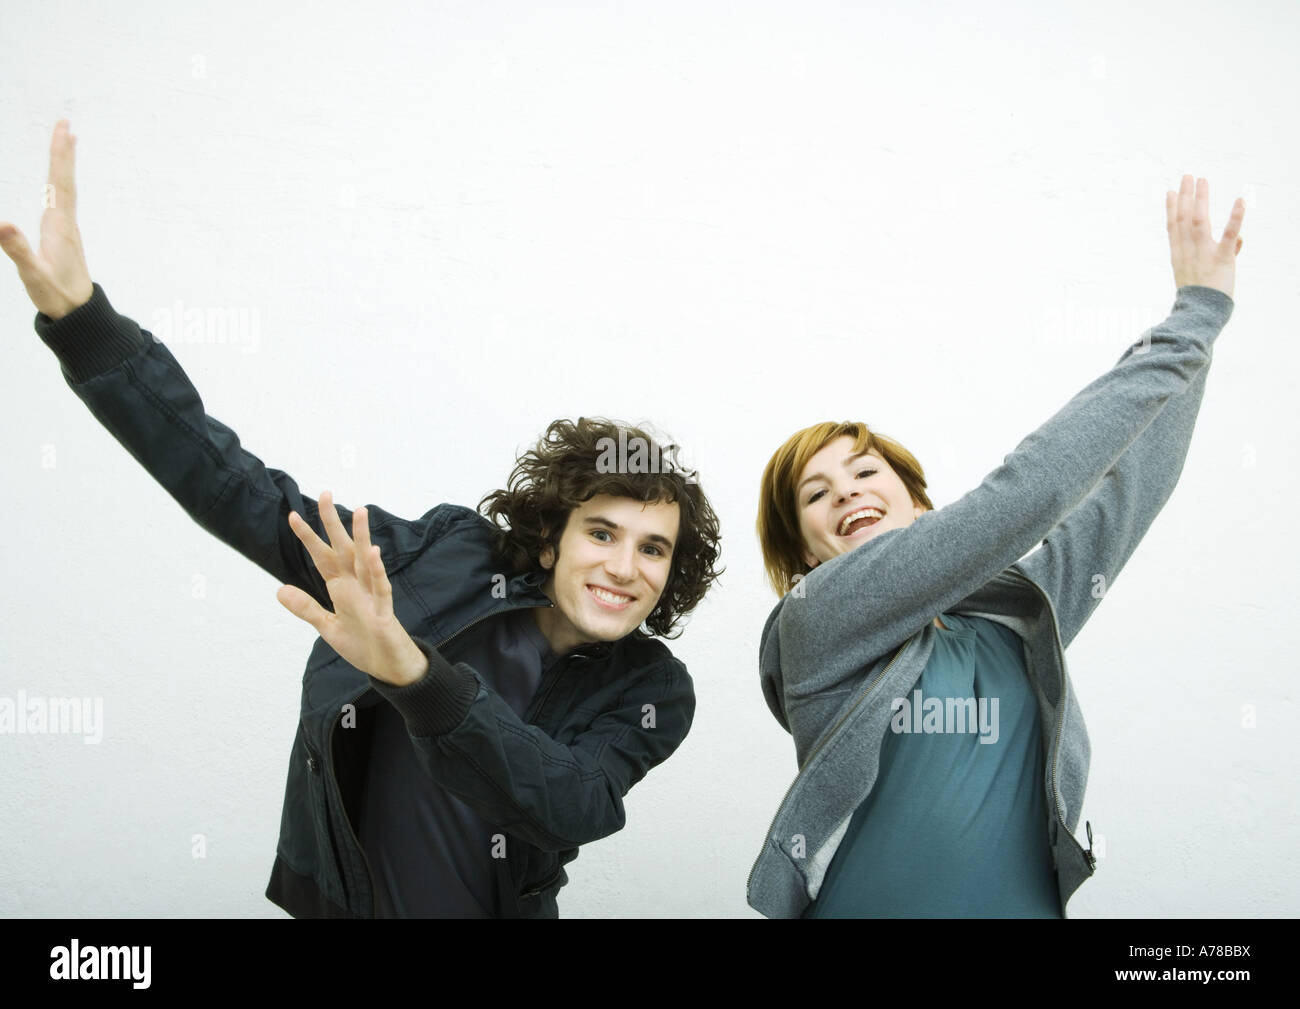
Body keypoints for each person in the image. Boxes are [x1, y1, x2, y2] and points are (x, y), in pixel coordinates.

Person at [2, 119, 723, 918]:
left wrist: (418, 676)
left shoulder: (654, 687)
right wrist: (85, 327)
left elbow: (572, 802)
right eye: (602, 532)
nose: (626, 566)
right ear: (552, 536)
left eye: (653, 549)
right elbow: (239, 490)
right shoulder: (447, 554)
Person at [746, 176, 1245, 918]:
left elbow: (1128, 491)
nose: (846, 492)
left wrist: (1204, 325)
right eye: (815, 494)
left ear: (920, 503)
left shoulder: (1018, 617)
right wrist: (1188, 324)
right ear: (808, 556)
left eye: (863, 471)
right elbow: (1027, 495)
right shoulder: (817, 618)